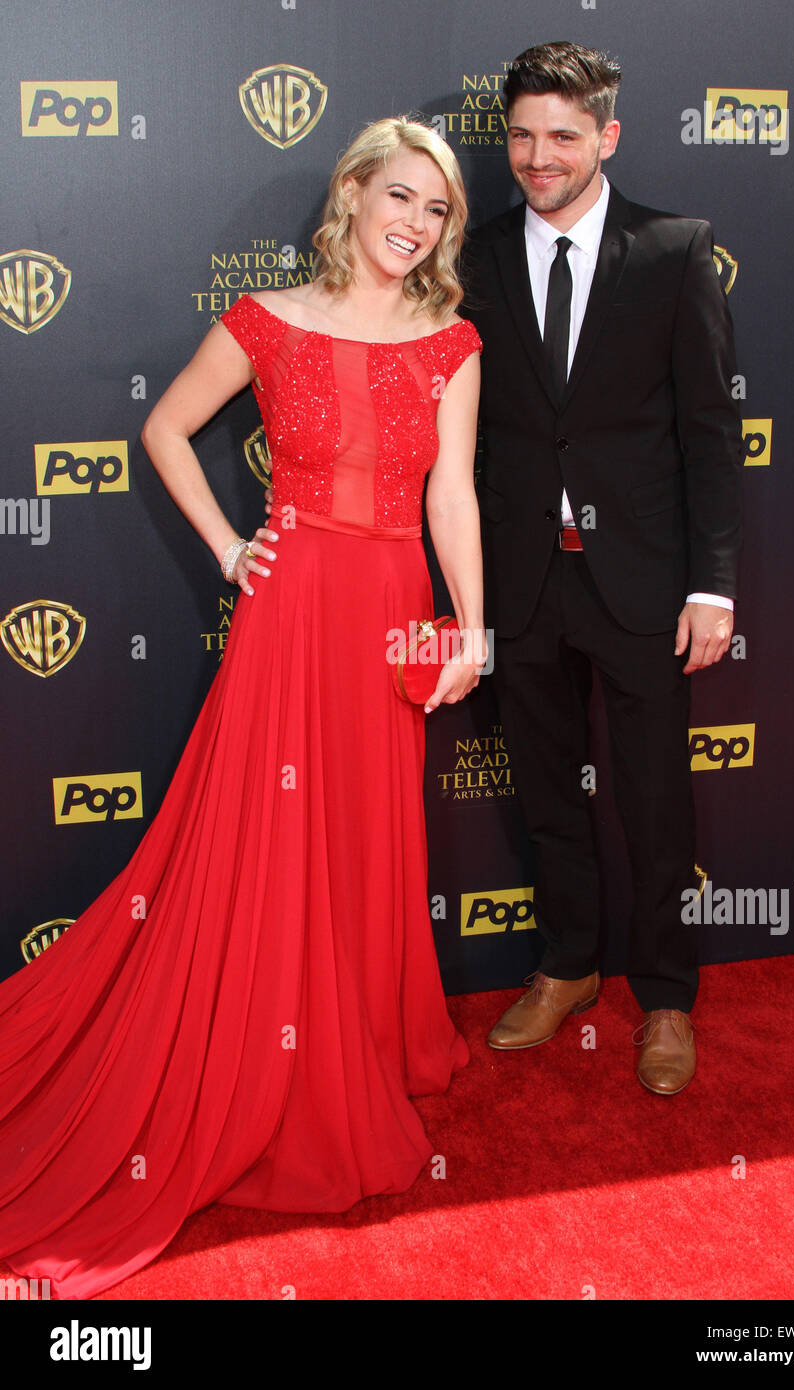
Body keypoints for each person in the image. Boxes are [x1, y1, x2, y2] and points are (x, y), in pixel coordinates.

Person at [0, 115, 484, 1299]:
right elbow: (165, 427)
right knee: (274, 838)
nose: (414, 225)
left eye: (437, 211)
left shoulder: (453, 338)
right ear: (353, 193)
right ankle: (282, 1053)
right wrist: (228, 547)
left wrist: (469, 625)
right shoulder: (271, 319)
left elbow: (454, 492)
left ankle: (362, 1037)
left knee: (367, 836)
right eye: (400, 197)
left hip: (391, 610)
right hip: (292, 603)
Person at [460, 43, 743, 1093]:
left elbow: (710, 430)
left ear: (606, 137)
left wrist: (710, 582)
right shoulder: (475, 255)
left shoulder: (672, 249)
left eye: (563, 136)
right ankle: (568, 964)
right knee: (544, 790)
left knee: (655, 796)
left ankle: (665, 995)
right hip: (519, 571)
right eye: (523, 136)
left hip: (641, 580)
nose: (539, 157)